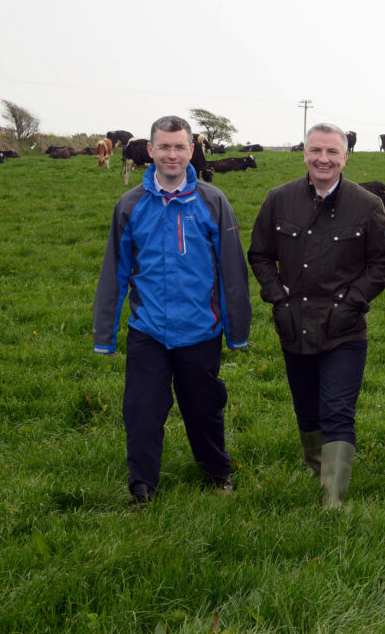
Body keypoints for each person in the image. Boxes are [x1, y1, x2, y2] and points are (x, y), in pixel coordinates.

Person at [93, 115, 251, 506]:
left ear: (192, 151)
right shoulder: (129, 205)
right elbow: (116, 271)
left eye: (180, 147)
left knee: (204, 408)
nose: (172, 154)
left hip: (200, 330)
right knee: (142, 411)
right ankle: (142, 487)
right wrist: (105, 334)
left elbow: (232, 269)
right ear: (149, 150)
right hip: (148, 330)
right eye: (164, 147)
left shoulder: (213, 202)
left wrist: (237, 330)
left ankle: (217, 474)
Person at [248, 123, 385, 508]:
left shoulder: (367, 206)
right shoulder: (278, 200)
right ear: (305, 153)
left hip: (345, 329)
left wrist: (353, 302)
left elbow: (384, 264)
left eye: (332, 152)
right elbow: (260, 254)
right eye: (316, 150)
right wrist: (276, 298)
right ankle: (318, 474)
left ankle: (333, 499)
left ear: (345, 157)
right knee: (306, 408)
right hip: (293, 325)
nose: (323, 159)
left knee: (337, 409)